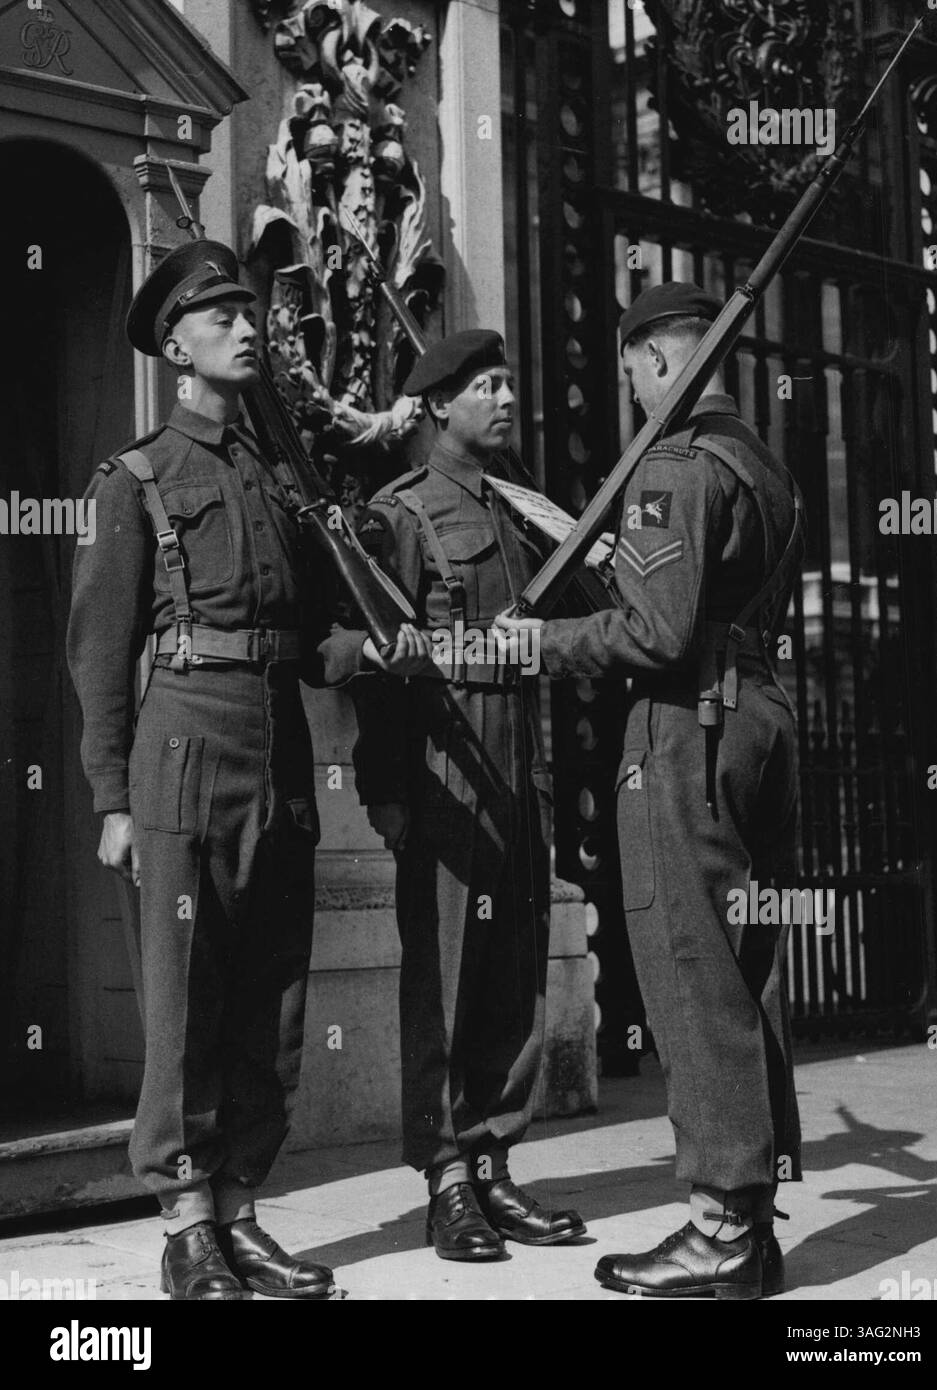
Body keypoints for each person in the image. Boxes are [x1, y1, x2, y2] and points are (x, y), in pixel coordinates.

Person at [66, 238, 427, 1300]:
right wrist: (111, 796)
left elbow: (308, 636)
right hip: (183, 749)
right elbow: (95, 654)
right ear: (175, 344)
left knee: (272, 993)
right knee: (188, 995)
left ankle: (241, 1208)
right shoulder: (135, 479)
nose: (243, 329)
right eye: (220, 317)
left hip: (278, 747)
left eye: (245, 314)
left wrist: (380, 652)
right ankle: (184, 1222)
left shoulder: (279, 483)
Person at [497, 282, 805, 1299]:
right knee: (741, 970)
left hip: (686, 728)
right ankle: (747, 1220)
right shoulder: (756, 463)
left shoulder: (670, 464)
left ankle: (717, 1230)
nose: (630, 391)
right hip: (757, 710)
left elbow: (656, 634)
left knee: (687, 966)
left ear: (660, 361)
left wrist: (537, 641)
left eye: (632, 370)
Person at [341, 329, 586, 1260]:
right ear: (438, 405)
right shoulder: (400, 512)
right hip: (445, 760)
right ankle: (445, 1175)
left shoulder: (521, 509)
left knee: (513, 973)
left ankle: (493, 1164)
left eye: (508, 381)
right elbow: (379, 668)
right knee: (443, 975)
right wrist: (386, 793)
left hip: (517, 760)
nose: (505, 396)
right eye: (486, 385)